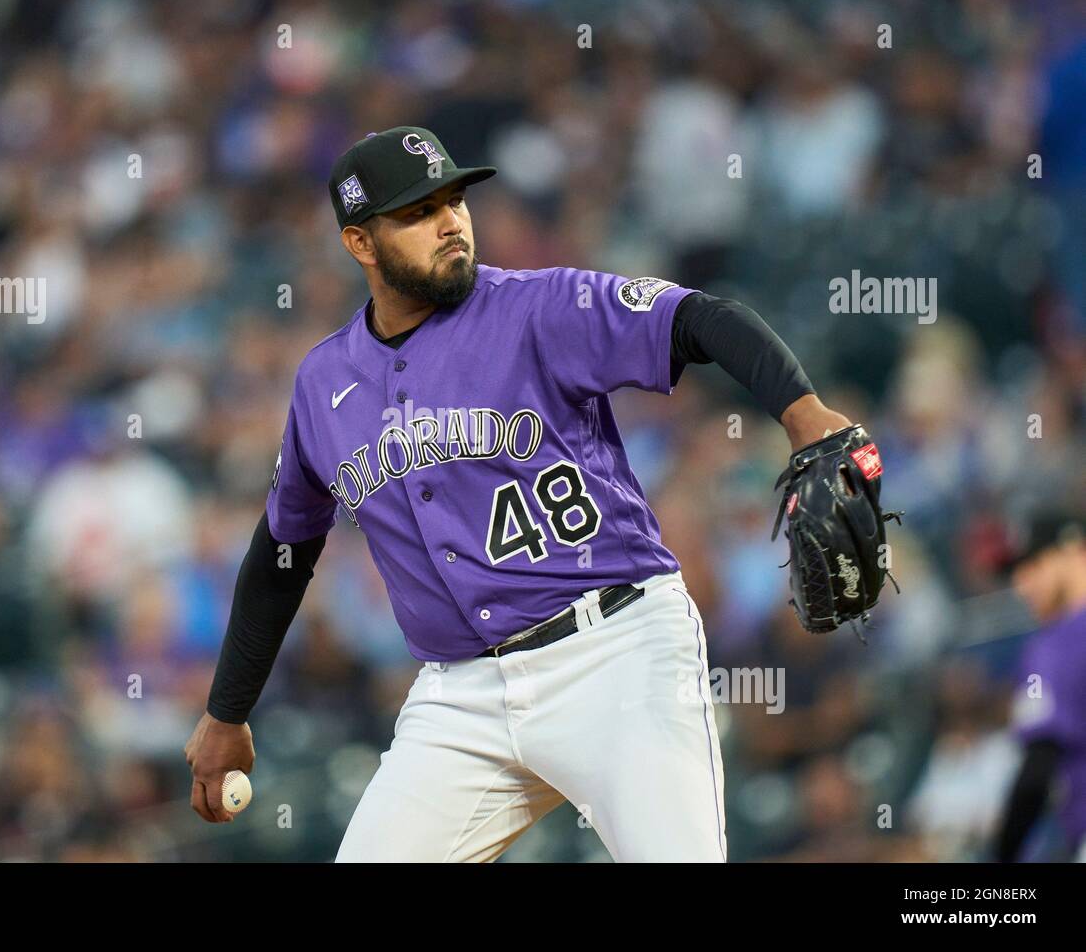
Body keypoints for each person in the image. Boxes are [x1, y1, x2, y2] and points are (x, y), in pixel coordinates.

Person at [185, 126, 857, 861]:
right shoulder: (323, 384)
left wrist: (804, 415)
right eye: (417, 212)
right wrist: (226, 714)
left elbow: (699, 319)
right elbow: (283, 553)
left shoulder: (540, 307)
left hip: (615, 652)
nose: (449, 222)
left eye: (453, 200)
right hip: (458, 698)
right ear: (360, 244)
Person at [995, 510, 1086, 862]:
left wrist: (1004, 852)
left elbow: (1038, 766)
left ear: (1073, 548)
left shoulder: (1057, 643)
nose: (1021, 585)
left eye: (1034, 564)